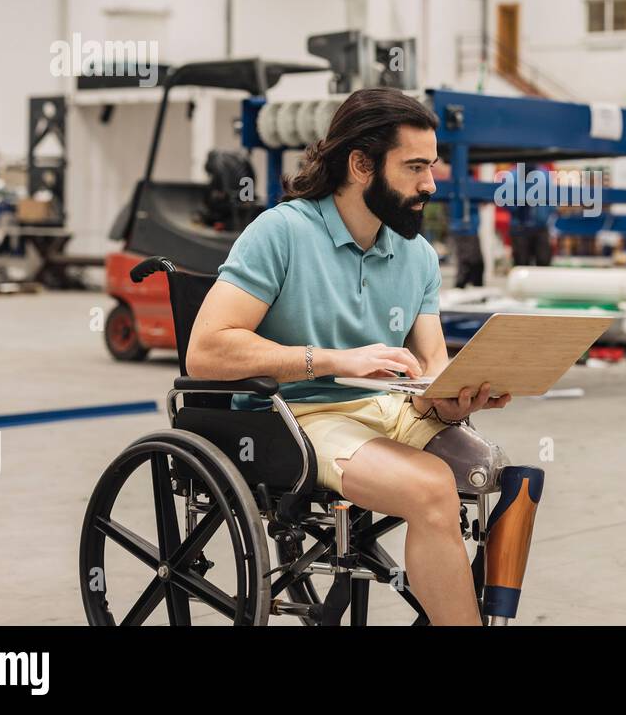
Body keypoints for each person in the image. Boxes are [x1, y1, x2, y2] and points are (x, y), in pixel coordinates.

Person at [186, 88, 508, 626]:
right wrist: (334, 361)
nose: (430, 183)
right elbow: (207, 350)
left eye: (432, 166)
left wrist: (450, 399)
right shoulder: (282, 232)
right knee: (431, 488)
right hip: (295, 416)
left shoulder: (417, 253)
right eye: (415, 167)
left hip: (387, 410)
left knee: (503, 476)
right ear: (360, 164)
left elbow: (432, 364)